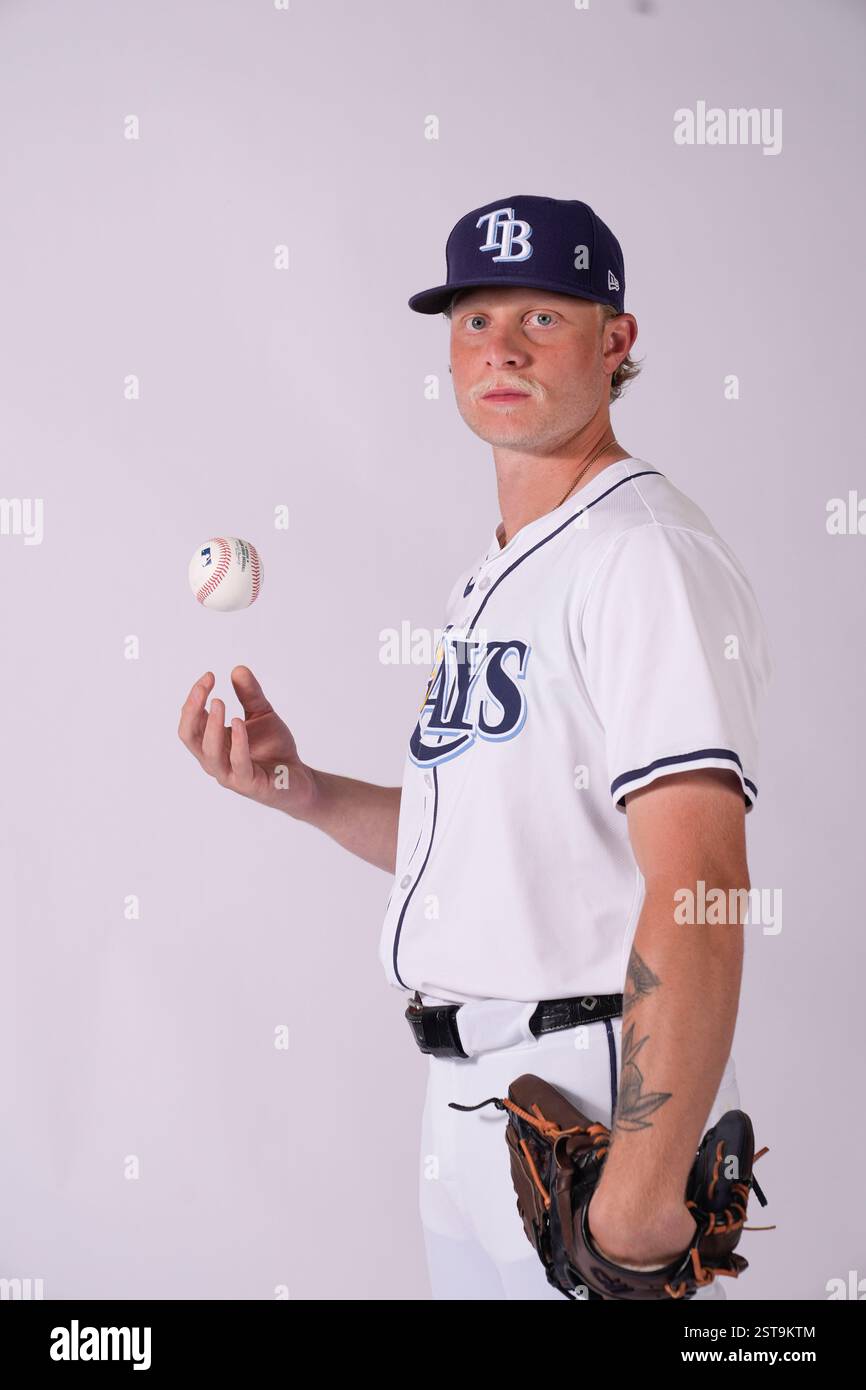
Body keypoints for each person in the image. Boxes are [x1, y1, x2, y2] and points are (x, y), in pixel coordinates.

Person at [178, 195, 773, 1301]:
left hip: (596, 1097)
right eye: (472, 318)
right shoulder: (504, 566)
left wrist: (640, 1196)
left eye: (541, 317)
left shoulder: (638, 555)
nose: (497, 345)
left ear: (615, 340)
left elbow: (700, 880)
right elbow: (495, 846)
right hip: (475, 1107)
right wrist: (305, 793)